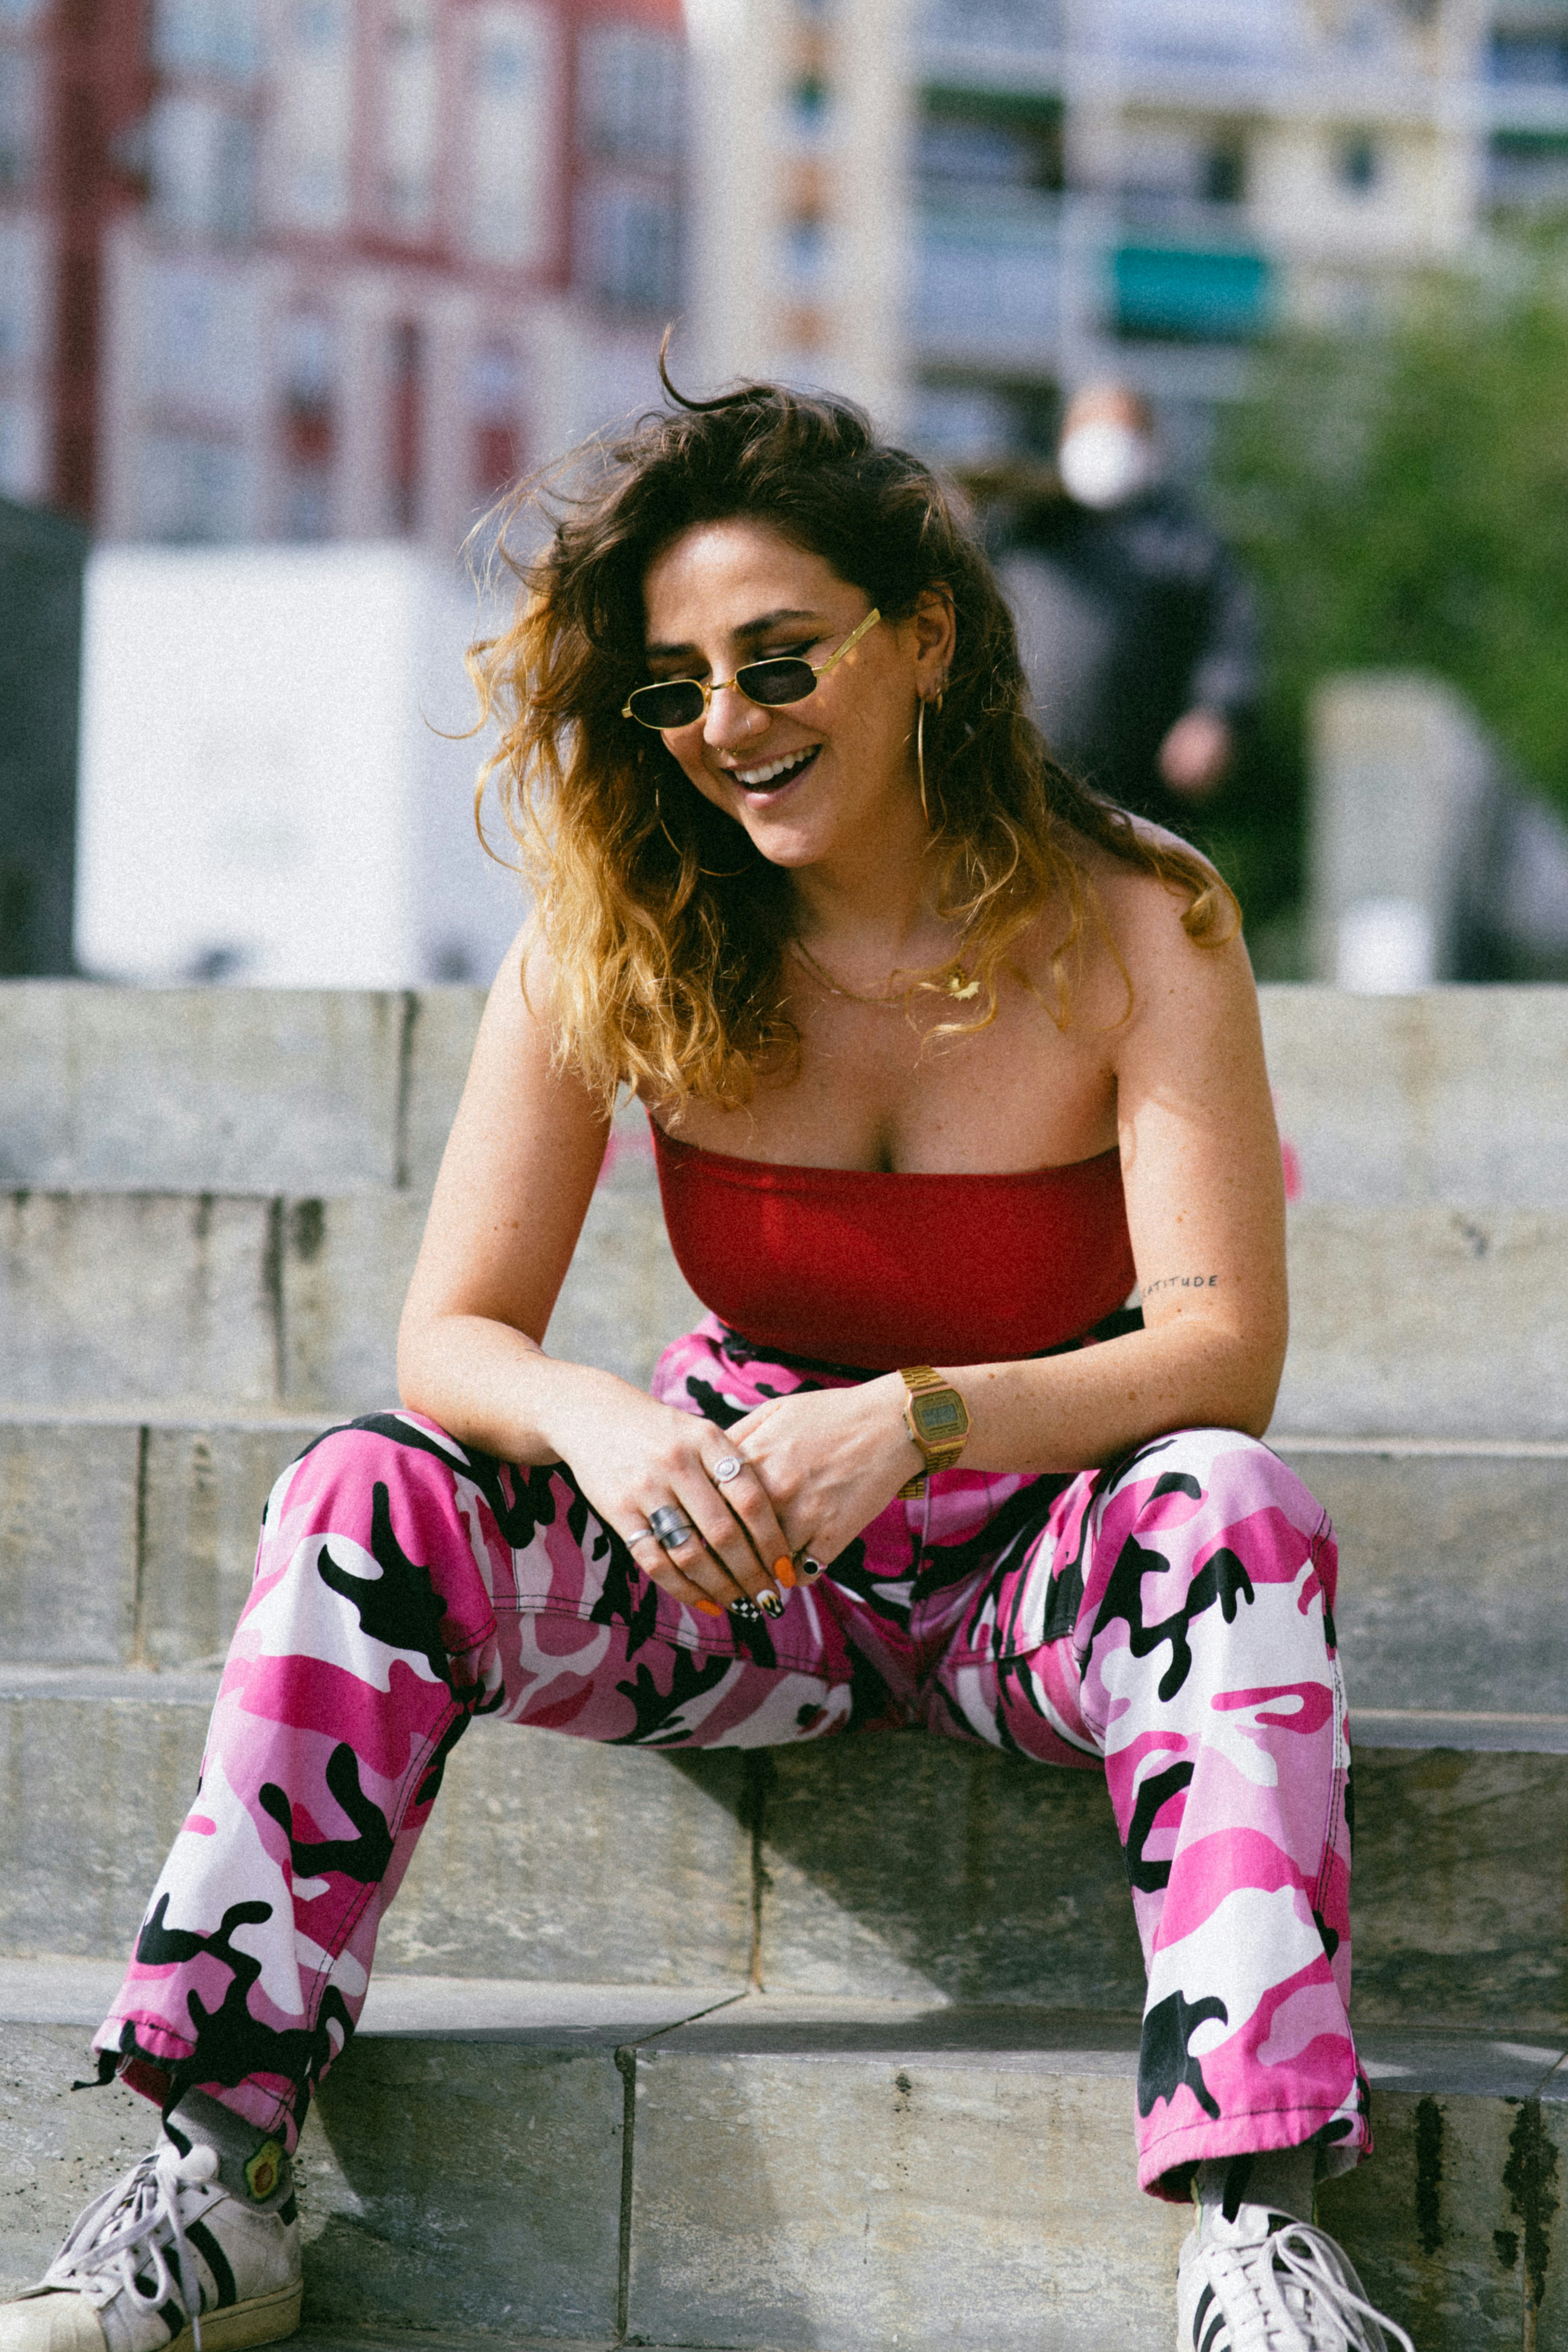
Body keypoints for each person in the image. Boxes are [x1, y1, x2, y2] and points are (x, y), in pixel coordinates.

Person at [0, 376, 1413, 2352]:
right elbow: (452, 1335)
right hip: (737, 1571)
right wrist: (599, 1419)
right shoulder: (619, 931)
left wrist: (914, 1420)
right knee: (363, 1487)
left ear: (921, 635)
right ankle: (212, 2178)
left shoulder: (1135, 919)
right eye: (676, 688)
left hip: (1046, 1561)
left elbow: (1218, 1350)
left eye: (774, 660)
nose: (727, 727)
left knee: (1232, 1509)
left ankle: (1251, 2227)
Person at [995, 382, 1261, 826]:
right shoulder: (1021, 527)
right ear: (1064, 440)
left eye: (1120, 429)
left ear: (1151, 444)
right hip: (1013, 790)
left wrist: (1215, 716)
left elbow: (1230, 636)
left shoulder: (1182, 540)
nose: (1102, 444)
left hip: (1138, 800)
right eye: (1088, 429)